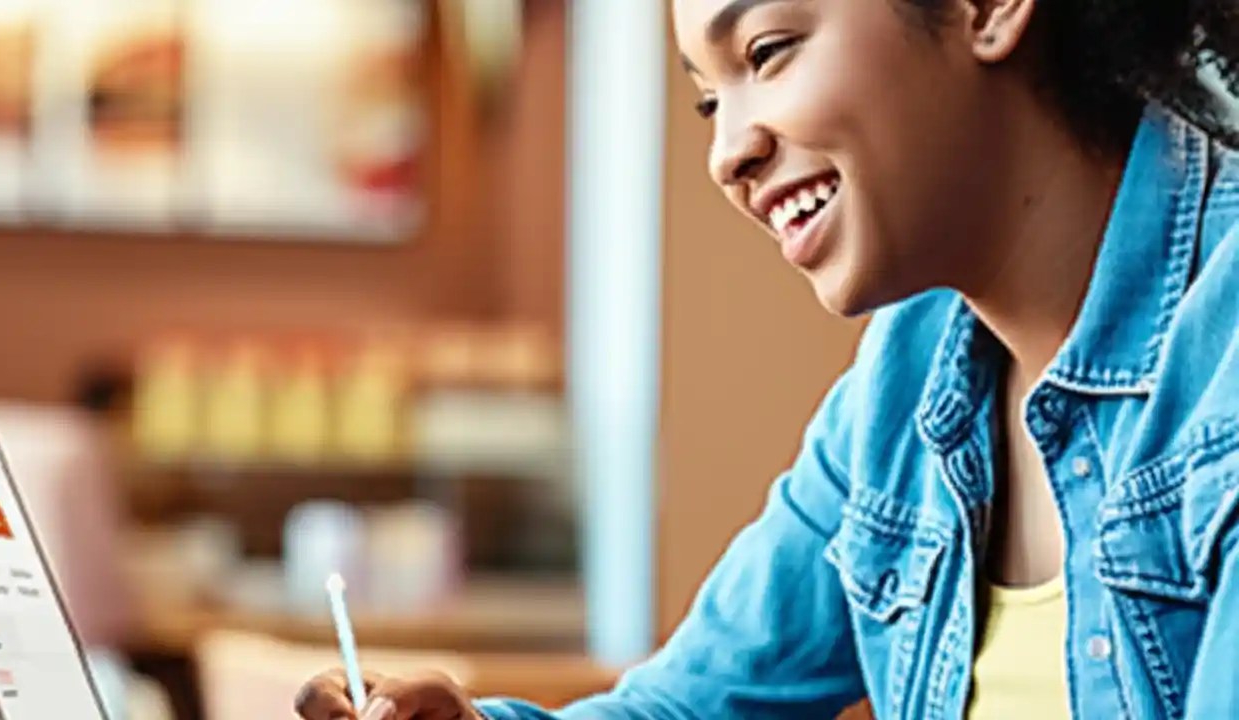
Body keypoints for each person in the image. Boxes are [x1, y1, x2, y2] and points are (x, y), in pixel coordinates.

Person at [296, 0, 1239, 717]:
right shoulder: (903, 389)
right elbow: (686, 705)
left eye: (767, 53)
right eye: (710, 97)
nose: (726, 152)